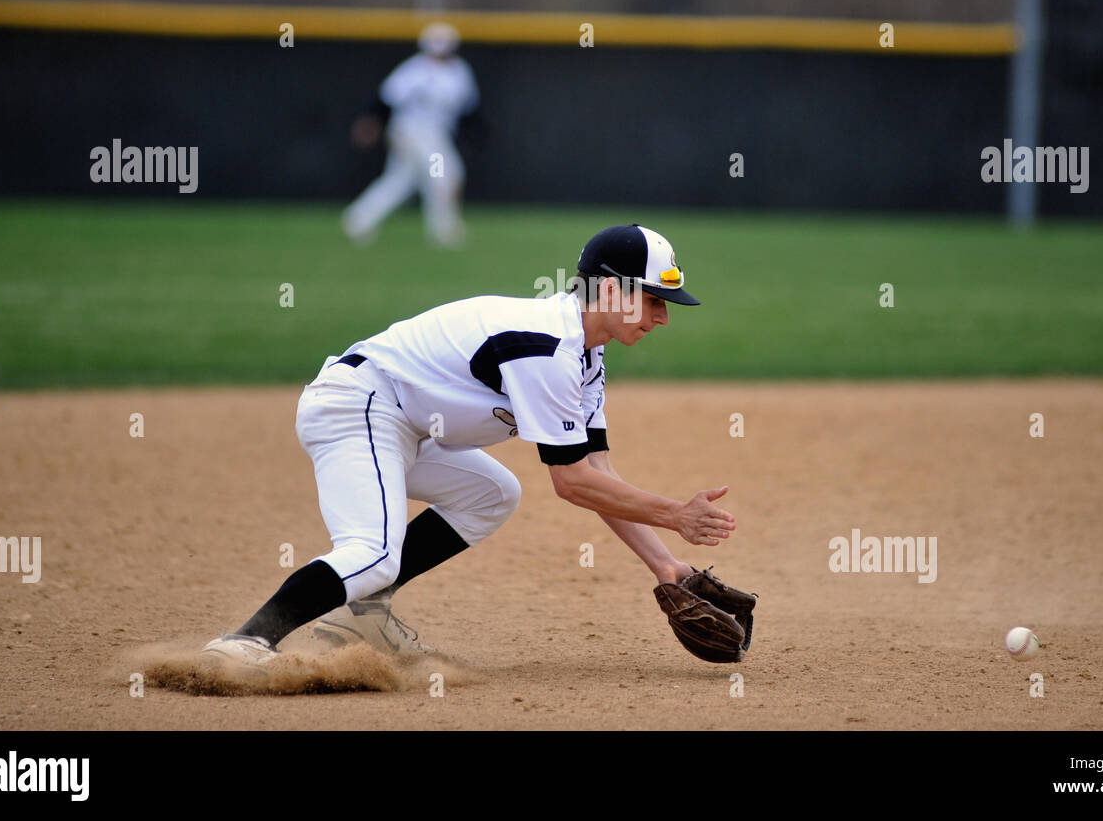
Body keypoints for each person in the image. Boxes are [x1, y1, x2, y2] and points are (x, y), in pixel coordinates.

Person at [202, 224, 737, 664]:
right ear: (612, 290)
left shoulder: (585, 357)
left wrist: (665, 565)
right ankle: (247, 639)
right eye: (654, 300)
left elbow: (598, 474)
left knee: (492, 493)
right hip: (355, 405)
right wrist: (676, 515)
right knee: (374, 553)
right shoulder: (545, 346)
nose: (663, 316)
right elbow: (571, 482)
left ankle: (361, 616)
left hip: (401, 422)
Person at [342, 22, 479, 248]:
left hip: (436, 133)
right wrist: (372, 121)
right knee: (446, 175)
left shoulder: (459, 72)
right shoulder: (416, 69)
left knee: (402, 181)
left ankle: (357, 220)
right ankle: (444, 229)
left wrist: (477, 133)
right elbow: (386, 99)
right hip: (412, 131)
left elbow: (469, 108)